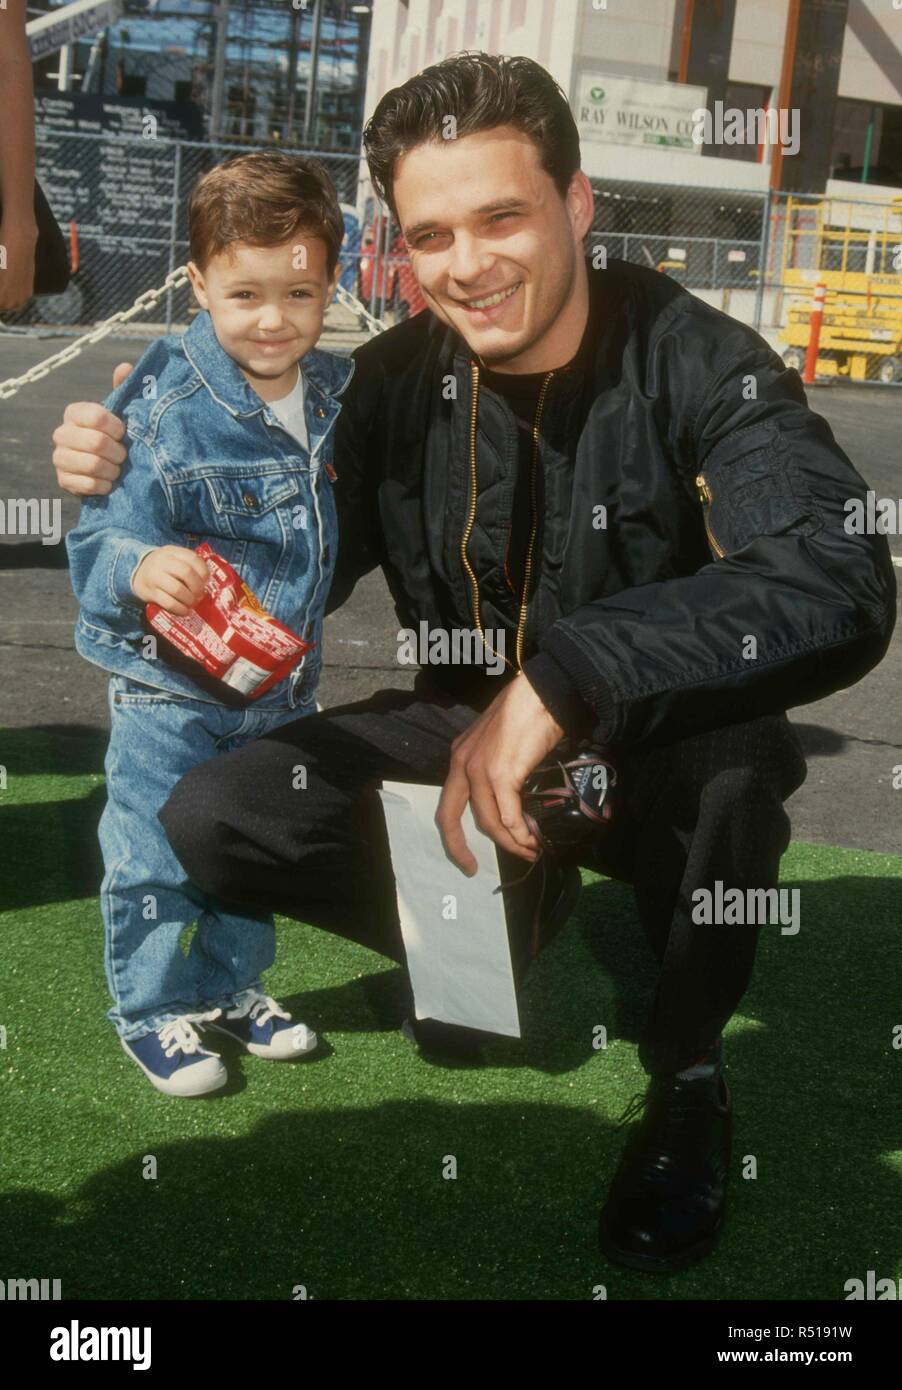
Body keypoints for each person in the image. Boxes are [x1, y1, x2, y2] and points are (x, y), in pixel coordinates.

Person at [52, 55, 895, 1268]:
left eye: (501, 215)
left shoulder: (700, 356)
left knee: (732, 766)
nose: (465, 263)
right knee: (217, 811)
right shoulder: (391, 379)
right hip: (462, 729)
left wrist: (571, 677)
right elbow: (277, 553)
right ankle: (503, 910)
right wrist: (124, 487)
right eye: (430, 232)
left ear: (578, 204)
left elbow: (838, 571)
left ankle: (688, 1072)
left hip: (650, 737)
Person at [65, 151, 351, 1096]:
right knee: (148, 850)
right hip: (166, 689)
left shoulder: (337, 396)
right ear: (199, 285)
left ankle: (232, 987)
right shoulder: (161, 407)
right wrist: (140, 564)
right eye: (245, 294)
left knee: (246, 848)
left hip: (274, 685)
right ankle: (150, 1010)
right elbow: (95, 538)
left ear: (331, 282)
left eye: (300, 292)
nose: (274, 319)